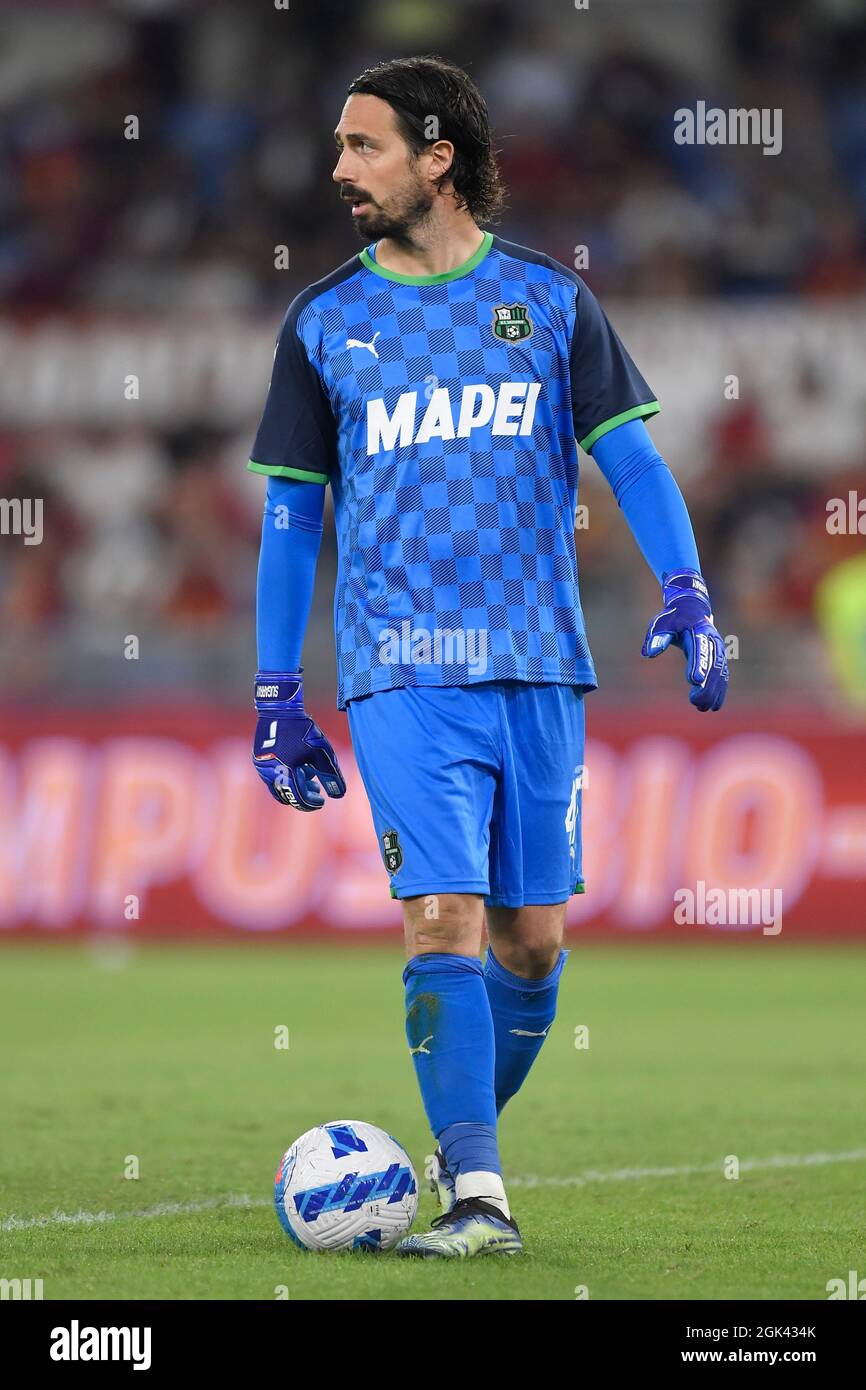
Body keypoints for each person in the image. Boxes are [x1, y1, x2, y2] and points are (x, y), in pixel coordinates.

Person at [249, 55, 728, 1259]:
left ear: (436, 155)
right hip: (400, 666)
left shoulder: (548, 303)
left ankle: (455, 1145)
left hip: (537, 666)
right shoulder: (322, 322)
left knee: (530, 944)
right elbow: (292, 516)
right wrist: (274, 692)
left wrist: (686, 588)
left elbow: (629, 458)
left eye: (362, 146)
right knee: (441, 918)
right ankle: (478, 1197)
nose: (339, 169)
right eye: (339, 147)